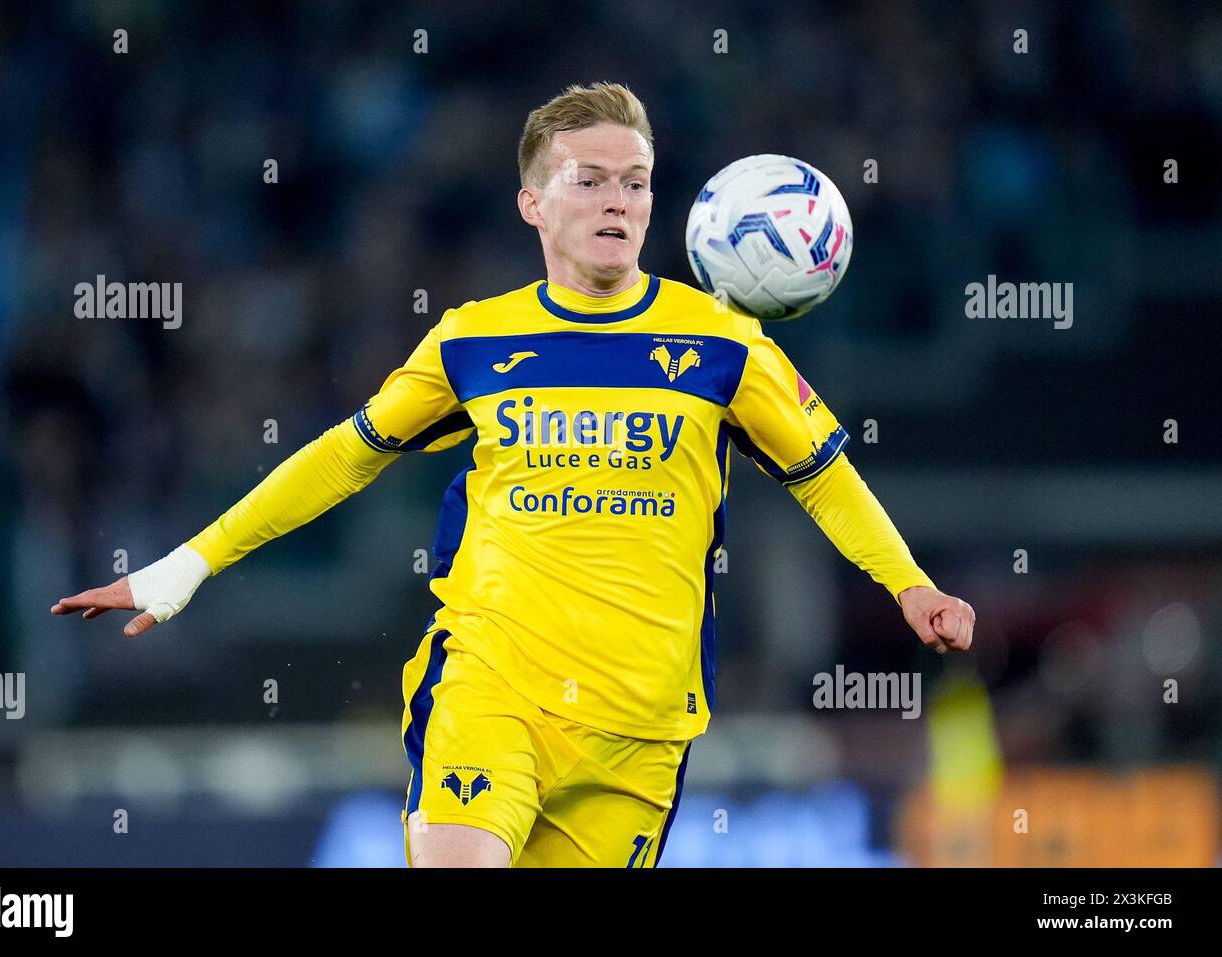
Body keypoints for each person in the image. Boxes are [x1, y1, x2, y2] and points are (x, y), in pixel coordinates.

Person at [52, 82, 975, 867]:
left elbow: (824, 473)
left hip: (640, 727)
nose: (618, 200)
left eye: (637, 182)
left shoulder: (726, 346)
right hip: (494, 685)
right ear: (533, 202)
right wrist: (184, 567)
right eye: (590, 181)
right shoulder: (473, 339)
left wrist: (910, 583)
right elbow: (346, 454)